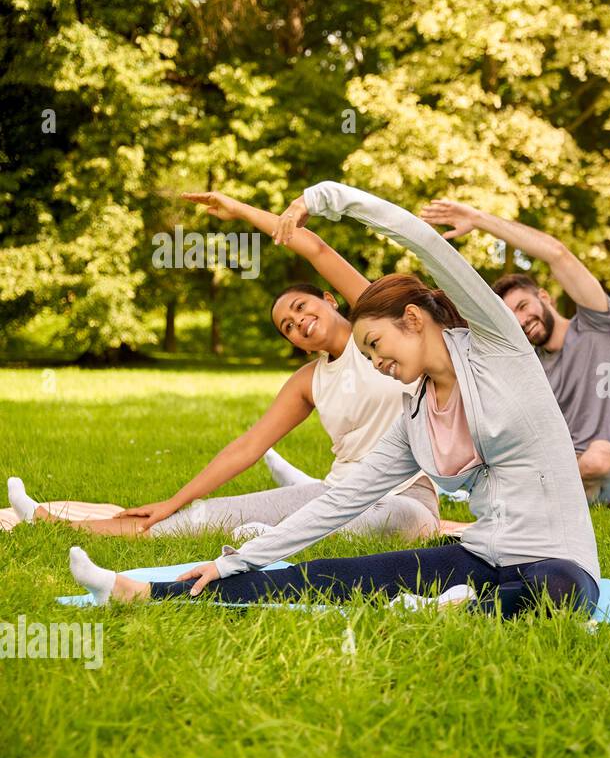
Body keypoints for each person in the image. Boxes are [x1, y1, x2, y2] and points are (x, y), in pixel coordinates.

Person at [69, 181, 600, 618]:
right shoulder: (414, 413)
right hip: (485, 555)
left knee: (559, 592)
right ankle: (142, 592)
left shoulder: (498, 345)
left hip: (560, 561)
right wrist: (236, 561)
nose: (373, 362)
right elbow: (337, 504)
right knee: (337, 577)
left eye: (375, 346)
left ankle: (455, 609)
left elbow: (423, 242)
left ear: (412, 320)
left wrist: (324, 198)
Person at [6, 191, 461, 541]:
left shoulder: (379, 328)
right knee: (211, 516)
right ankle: (53, 522)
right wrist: (174, 500)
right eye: (287, 326)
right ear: (295, 345)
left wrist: (238, 209)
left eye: (302, 307)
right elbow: (247, 447)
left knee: (385, 519)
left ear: (329, 298)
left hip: (404, 499)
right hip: (337, 492)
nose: (299, 322)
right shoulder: (309, 381)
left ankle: (278, 536)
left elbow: (315, 249)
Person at [417, 199, 610, 506]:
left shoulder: (598, 328)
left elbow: (557, 254)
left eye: (523, 306)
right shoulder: (528, 365)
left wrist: (480, 219)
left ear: (544, 297)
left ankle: (528, 497)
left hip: (609, 477)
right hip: (553, 470)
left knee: (600, 457)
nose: (522, 321)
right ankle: (535, 496)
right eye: (513, 317)